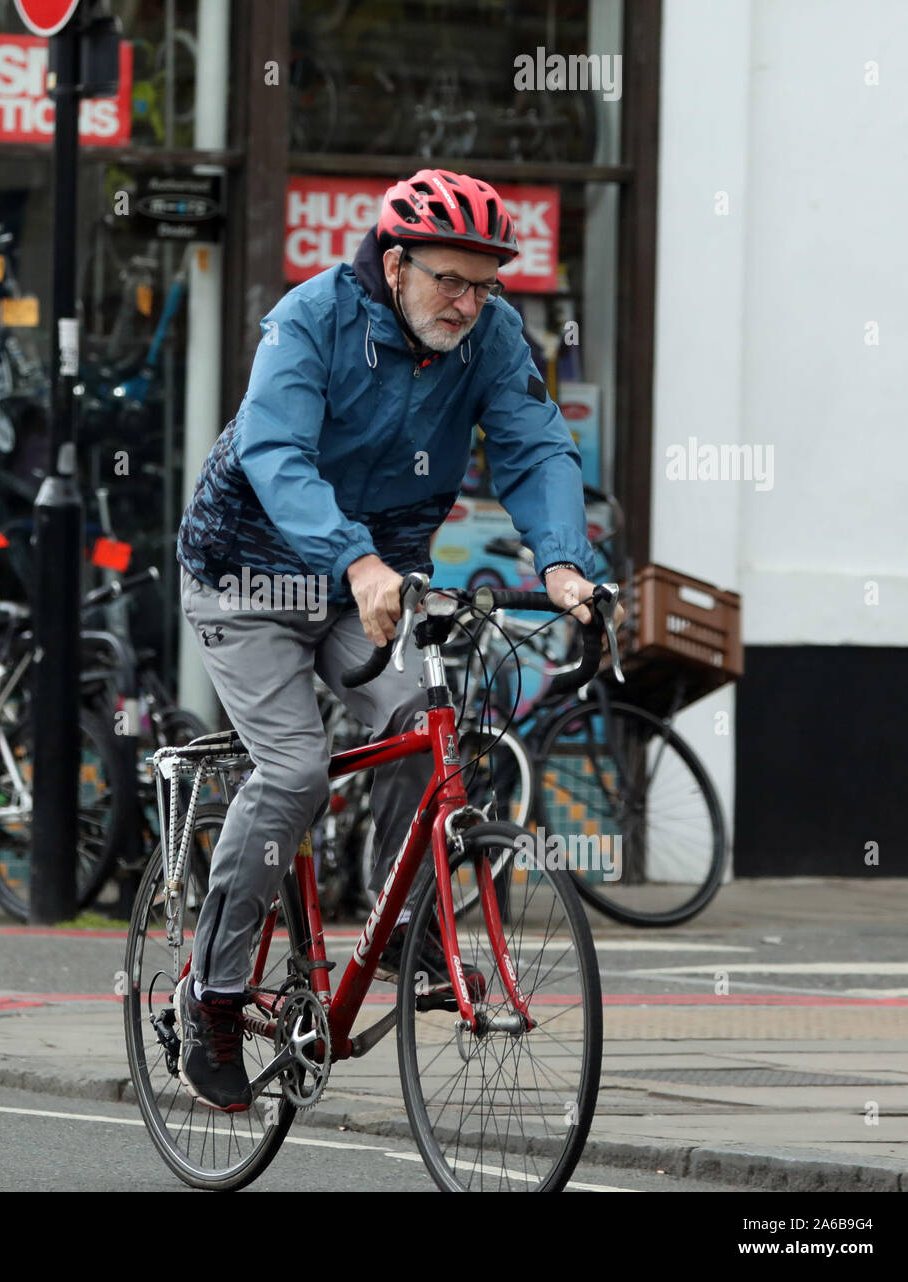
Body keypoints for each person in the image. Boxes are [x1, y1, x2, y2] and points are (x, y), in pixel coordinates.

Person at [173, 168, 599, 1112]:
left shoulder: (486, 337)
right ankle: (212, 993)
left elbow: (532, 445)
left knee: (431, 722)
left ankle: (400, 927)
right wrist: (355, 560)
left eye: (486, 283)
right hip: (250, 575)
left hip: (374, 585)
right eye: (450, 279)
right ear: (396, 262)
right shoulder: (309, 319)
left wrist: (564, 565)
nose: (470, 301)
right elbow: (274, 452)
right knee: (294, 771)